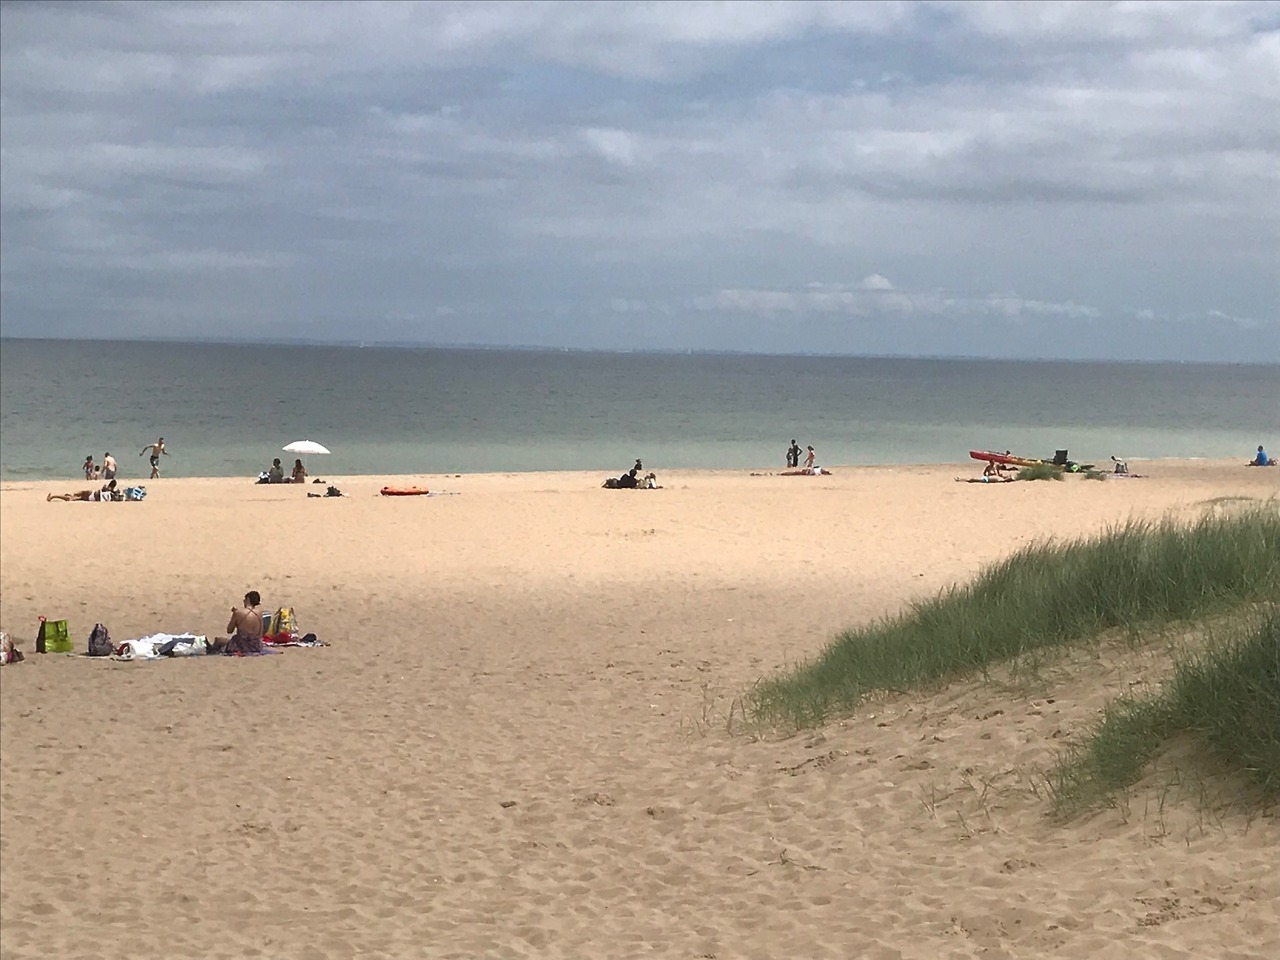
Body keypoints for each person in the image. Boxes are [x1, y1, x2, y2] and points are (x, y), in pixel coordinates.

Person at [218, 591, 264, 655]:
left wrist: (235, 616)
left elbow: (229, 630)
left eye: (244, 599)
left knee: (218, 640)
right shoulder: (260, 613)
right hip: (256, 646)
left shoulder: (238, 613)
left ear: (248, 599)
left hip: (241, 646)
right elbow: (260, 633)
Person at [48, 479, 118, 502]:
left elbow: (102, 490)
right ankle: (54, 497)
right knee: (75, 498)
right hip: (92, 497)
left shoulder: (106, 487)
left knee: (76, 495)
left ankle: (54, 496)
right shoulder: (111, 492)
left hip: (91, 493)